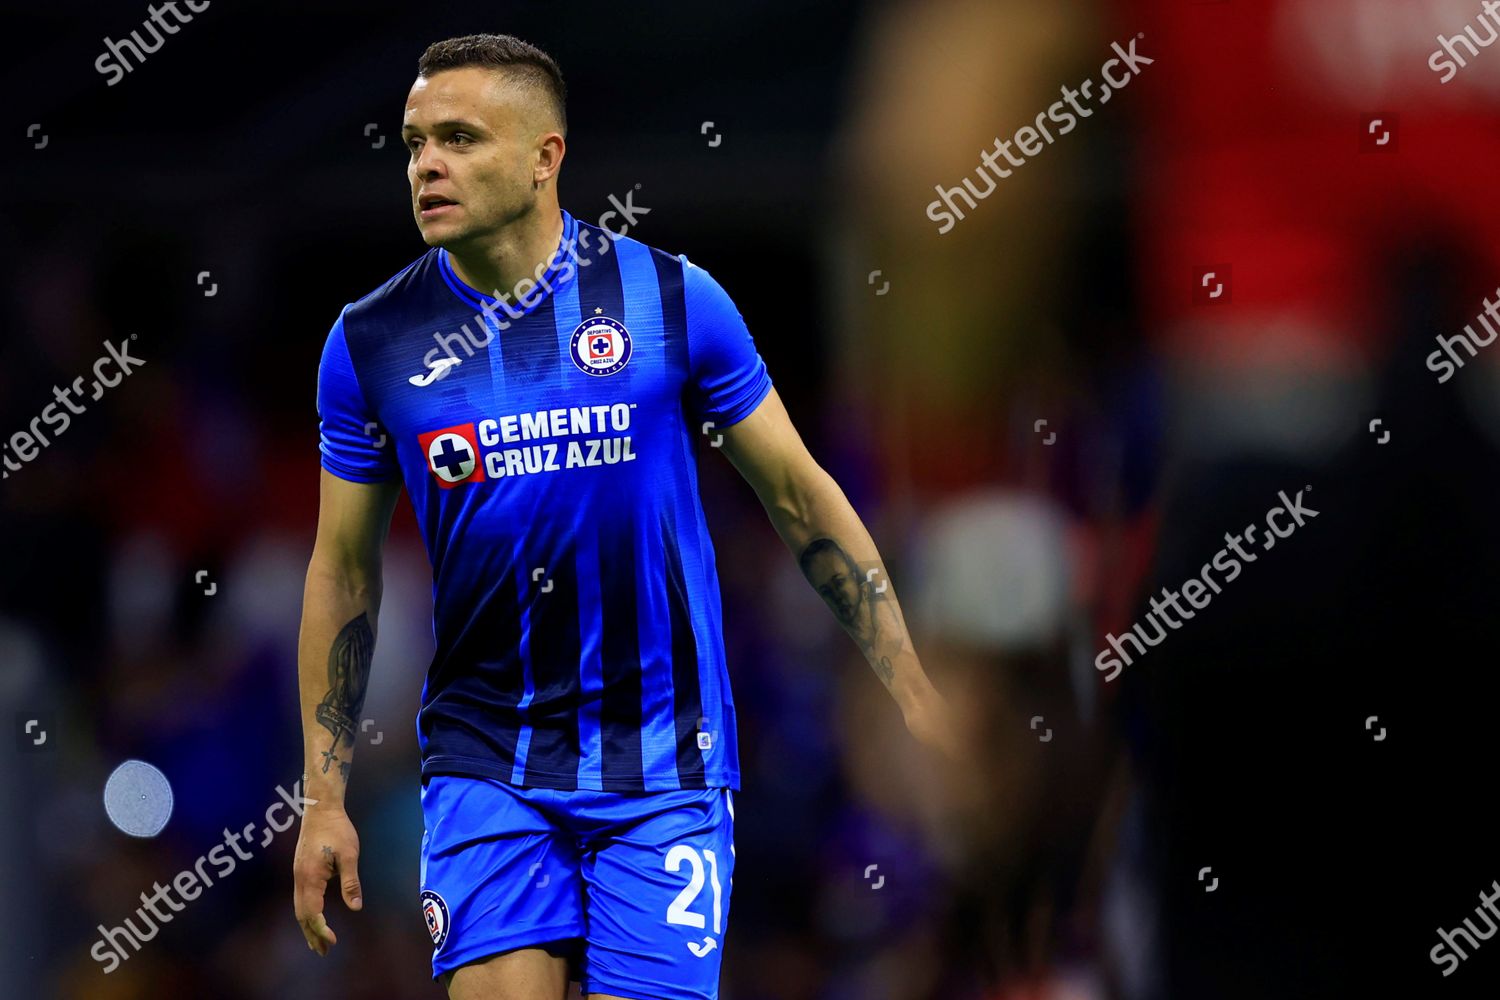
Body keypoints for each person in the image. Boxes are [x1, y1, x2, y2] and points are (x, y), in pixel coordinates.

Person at [290, 33, 961, 1000]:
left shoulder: (674, 301)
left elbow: (800, 497)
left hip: (664, 760)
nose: (427, 164)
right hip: (486, 762)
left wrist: (913, 690)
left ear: (545, 156)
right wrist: (323, 799)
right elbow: (343, 571)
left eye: (460, 138)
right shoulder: (371, 343)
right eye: (414, 143)